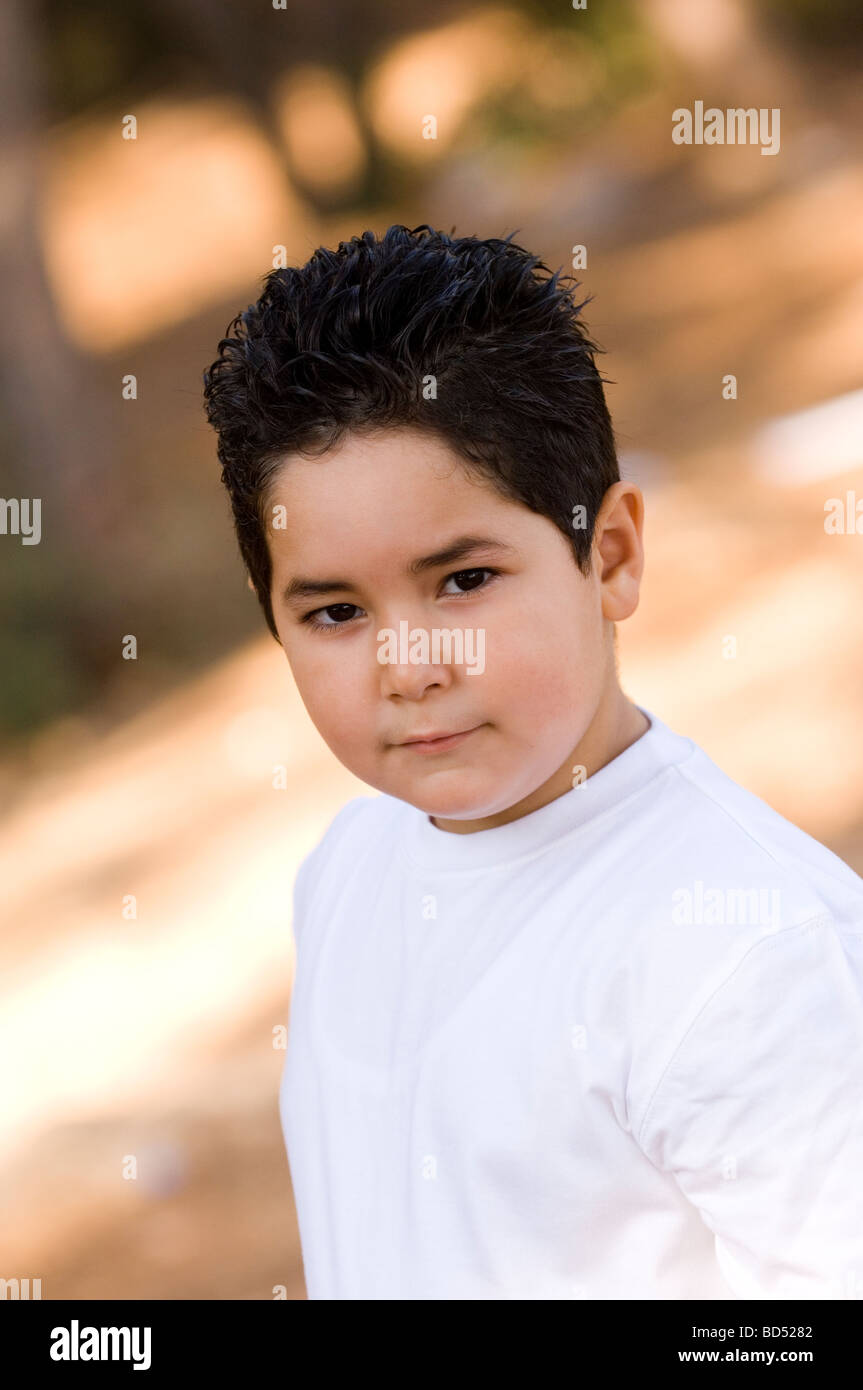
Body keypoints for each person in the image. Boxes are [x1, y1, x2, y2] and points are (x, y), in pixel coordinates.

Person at [202, 224, 863, 1300]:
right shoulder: (348, 869)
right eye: (332, 611)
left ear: (607, 555)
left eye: (462, 580)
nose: (407, 668)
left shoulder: (752, 949)